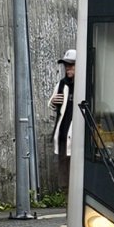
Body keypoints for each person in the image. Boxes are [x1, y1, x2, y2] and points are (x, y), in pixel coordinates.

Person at [50, 50, 77, 191]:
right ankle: (67, 201)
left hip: (77, 139)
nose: (68, 68)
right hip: (62, 135)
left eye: (71, 65)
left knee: (76, 172)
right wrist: (53, 101)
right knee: (64, 174)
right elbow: (52, 102)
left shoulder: (84, 86)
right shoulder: (62, 84)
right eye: (66, 65)